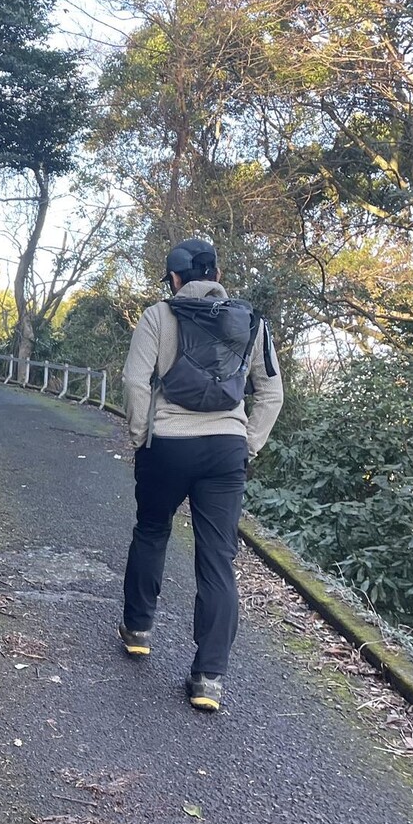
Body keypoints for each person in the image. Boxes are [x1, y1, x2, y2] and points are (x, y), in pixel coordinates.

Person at [119, 237, 283, 712]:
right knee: (217, 560)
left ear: (175, 277)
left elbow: (134, 380)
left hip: (167, 444)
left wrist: (140, 434)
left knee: (151, 531)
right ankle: (209, 677)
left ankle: (138, 630)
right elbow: (271, 393)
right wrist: (248, 442)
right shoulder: (252, 322)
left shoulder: (158, 315)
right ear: (215, 273)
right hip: (225, 450)